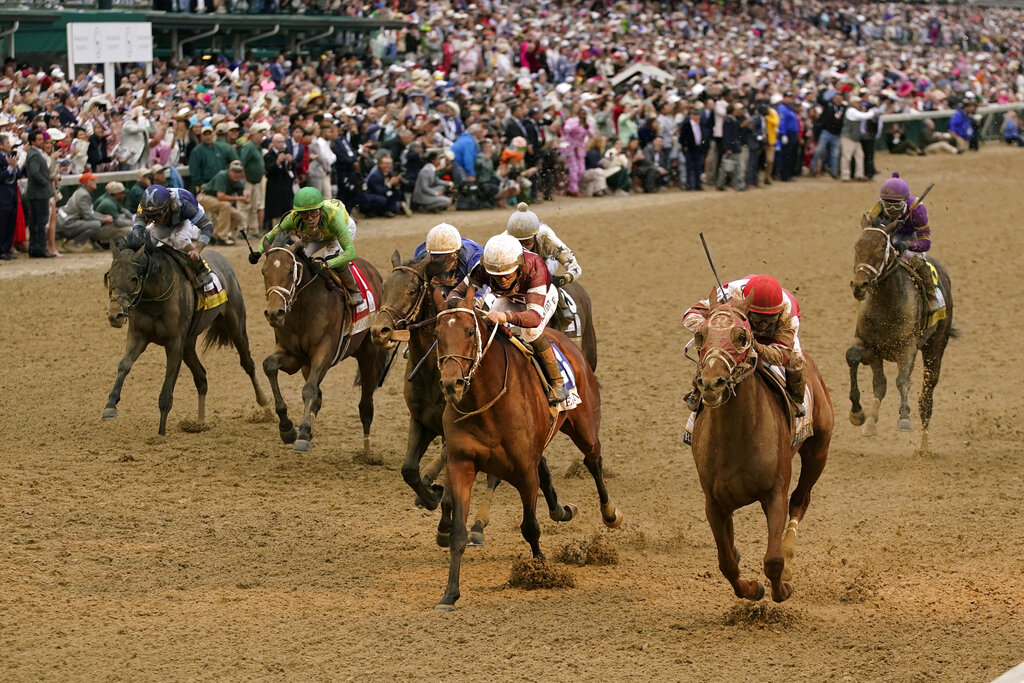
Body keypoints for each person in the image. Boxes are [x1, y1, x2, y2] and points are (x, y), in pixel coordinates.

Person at [448, 233, 568, 406]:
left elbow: (533, 317)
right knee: (488, 329)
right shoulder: (482, 268)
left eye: (507, 275)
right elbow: (456, 292)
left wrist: (505, 316)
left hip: (539, 298)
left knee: (530, 332)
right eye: (496, 277)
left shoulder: (535, 267)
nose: (502, 280)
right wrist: (458, 304)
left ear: (519, 266)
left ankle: (557, 382)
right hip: (509, 298)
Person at [682, 275, 806, 416]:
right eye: (759, 320)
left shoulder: (789, 316)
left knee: (796, 360)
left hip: (775, 335)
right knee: (715, 348)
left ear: (779, 313)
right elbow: (690, 315)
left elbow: (781, 356)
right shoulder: (729, 295)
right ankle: (697, 390)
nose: (763, 325)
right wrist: (714, 329)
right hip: (737, 327)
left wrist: (757, 346)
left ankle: (795, 400)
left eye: (769, 320)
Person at [248, 187, 363, 307]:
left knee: (329, 256)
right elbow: (270, 235)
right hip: (317, 233)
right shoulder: (292, 218)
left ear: (321, 210)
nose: (309, 218)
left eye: (314, 212)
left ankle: (353, 291)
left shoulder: (334, 218)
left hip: (341, 229)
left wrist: (325, 264)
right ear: (297, 213)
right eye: (304, 214)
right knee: (298, 256)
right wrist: (259, 251)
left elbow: (351, 253)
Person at [866, 172, 941, 312]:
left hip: (910, 237)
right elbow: (866, 221)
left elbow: (926, 242)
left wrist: (907, 245)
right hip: (888, 233)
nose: (892, 210)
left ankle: (932, 296)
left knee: (917, 260)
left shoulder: (917, 209)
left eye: (897, 206)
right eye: (889, 206)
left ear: (905, 201)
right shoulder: (879, 207)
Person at [133, 184, 215, 287]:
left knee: (179, 239)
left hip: (185, 219)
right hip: (167, 221)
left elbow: (207, 226)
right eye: (151, 215)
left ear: (168, 206)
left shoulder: (185, 205)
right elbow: (137, 232)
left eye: (158, 214)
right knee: (145, 241)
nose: (155, 218)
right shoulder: (142, 208)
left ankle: (202, 270)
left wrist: (197, 250)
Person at [412, 222, 483, 289]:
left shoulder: (473, 257)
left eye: (445, 257)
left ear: (456, 254)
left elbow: (478, 290)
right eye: (436, 256)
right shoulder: (422, 255)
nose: (440, 261)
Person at [199, 159, 248, 246]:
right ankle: (222, 238)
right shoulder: (222, 175)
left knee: (238, 216)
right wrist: (239, 198)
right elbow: (220, 196)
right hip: (204, 196)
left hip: (218, 201)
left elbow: (247, 201)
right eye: (234, 171)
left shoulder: (239, 181)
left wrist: (246, 195)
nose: (237, 174)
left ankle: (214, 236)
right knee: (225, 205)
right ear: (229, 170)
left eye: (239, 172)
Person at [22, 129, 53, 258]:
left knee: (35, 221)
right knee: (40, 221)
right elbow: (35, 173)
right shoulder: (35, 154)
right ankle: (39, 248)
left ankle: (35, 248)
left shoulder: (33, 153)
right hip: (39, 193)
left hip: (35, 192)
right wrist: (45, 182)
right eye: (39, 139)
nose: (42, 141)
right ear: (33, 141)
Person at [0, 133, 20, 260]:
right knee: (2, 225)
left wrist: (15, 168)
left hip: (11, 195)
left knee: (10, 224)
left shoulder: (9, 156)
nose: (9, 145)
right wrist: (10, 169)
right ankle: (1, 250)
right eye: (7, 143)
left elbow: (18, 174)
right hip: (2, 196)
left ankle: (6, 249)